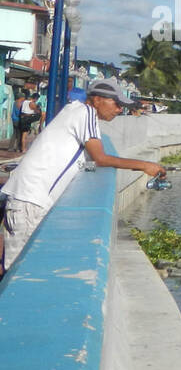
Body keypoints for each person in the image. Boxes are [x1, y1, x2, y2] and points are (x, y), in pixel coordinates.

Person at [0, 80, 165, 277]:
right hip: (30, 201)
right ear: (97, 100)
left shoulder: (77, 113)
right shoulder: (85, 113)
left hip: (29, 198)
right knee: (17, 272)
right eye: (116, 103)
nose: (120, 109)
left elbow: (83, 161)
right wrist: (144, 165)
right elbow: (100, 158)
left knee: (17, 269)